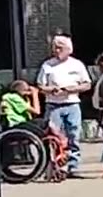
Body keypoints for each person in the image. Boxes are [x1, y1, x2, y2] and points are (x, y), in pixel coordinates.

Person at [37, 35, 91, 178]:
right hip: (53, 105)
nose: (56, 50)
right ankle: (55, 166)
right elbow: (40, 86)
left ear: (69, 49)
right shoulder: (47, 65)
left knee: (74, 135)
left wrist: (71, 89)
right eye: (55, 47)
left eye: (60, 47)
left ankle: (73, 166)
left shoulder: (77, 64)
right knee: (54, 137)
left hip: (72, 103)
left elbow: (87, 84)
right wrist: (52, 89)